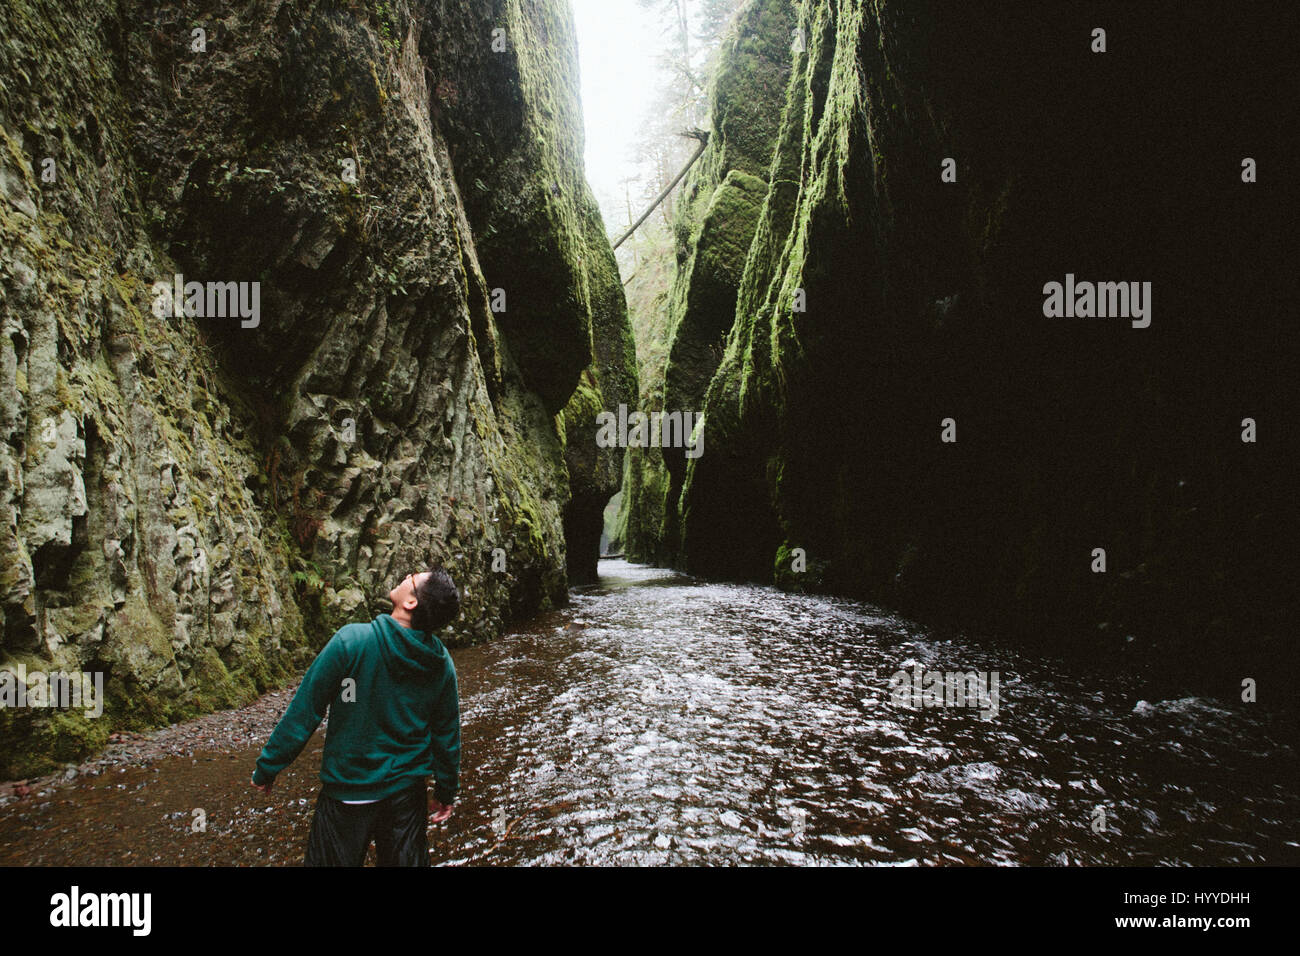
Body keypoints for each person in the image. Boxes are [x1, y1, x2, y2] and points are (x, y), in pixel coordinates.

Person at [249, 567, 461, 866]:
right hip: (406, 796)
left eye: (412, 579)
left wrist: (269, 766)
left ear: (411, 602)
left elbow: (306, 709)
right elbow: (446, 734)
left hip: (348, 793)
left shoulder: (352, 641)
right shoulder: (440, 662)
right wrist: (446, 790)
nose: (406, 576)